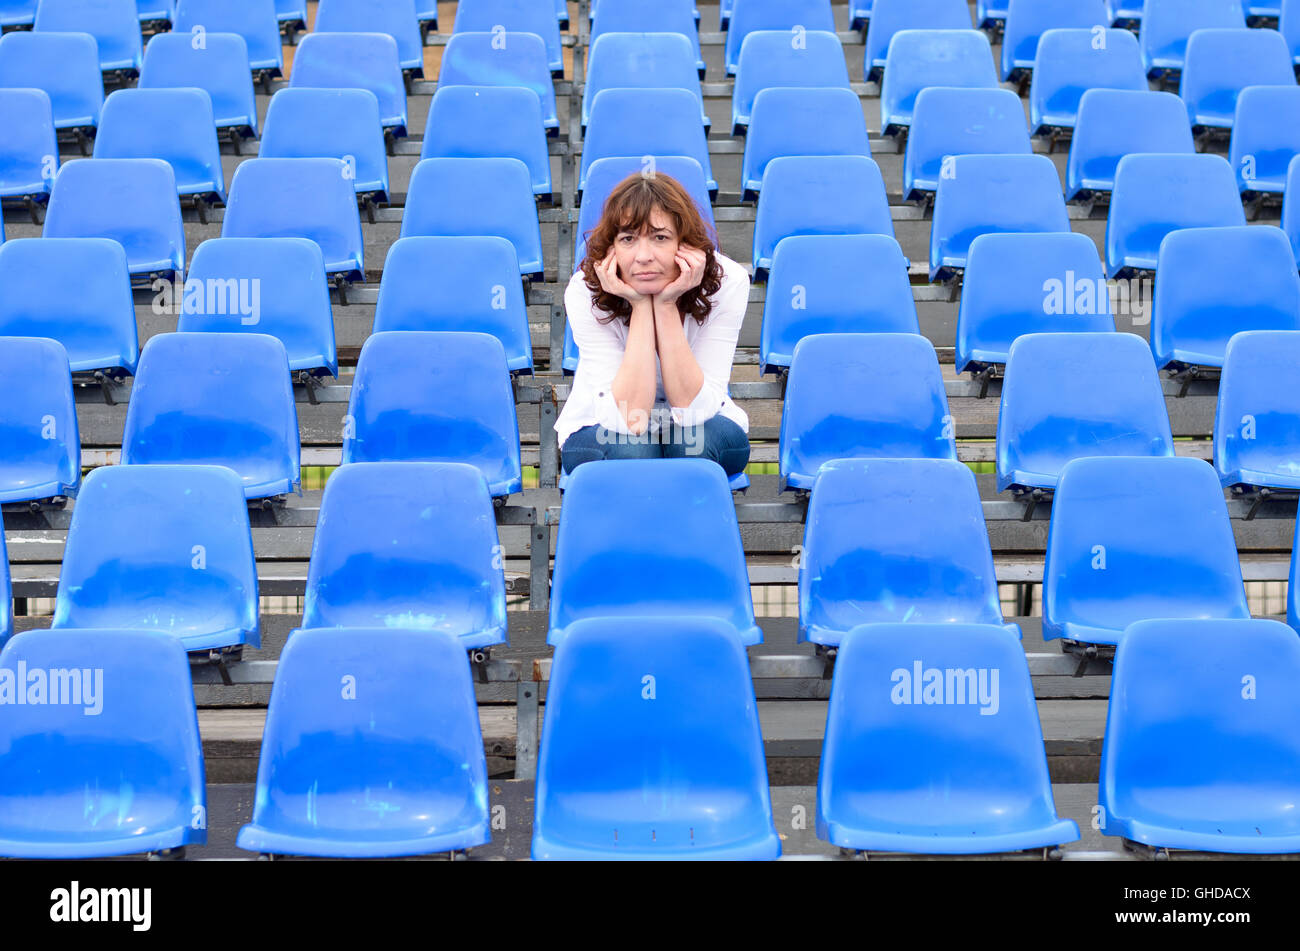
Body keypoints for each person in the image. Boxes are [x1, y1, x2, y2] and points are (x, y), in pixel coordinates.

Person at [555, 170, 751, 478]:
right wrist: (640, 306)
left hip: (702, 422)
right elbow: (628, 421)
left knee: (692, 444)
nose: (643, 256)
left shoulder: (728, 282)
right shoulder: (586, 289)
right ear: (612, 249)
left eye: (660, 237)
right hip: (601, 425)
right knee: (634, 448)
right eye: (628, 239)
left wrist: (666, 303)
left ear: (685, 244)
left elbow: (694, 411)